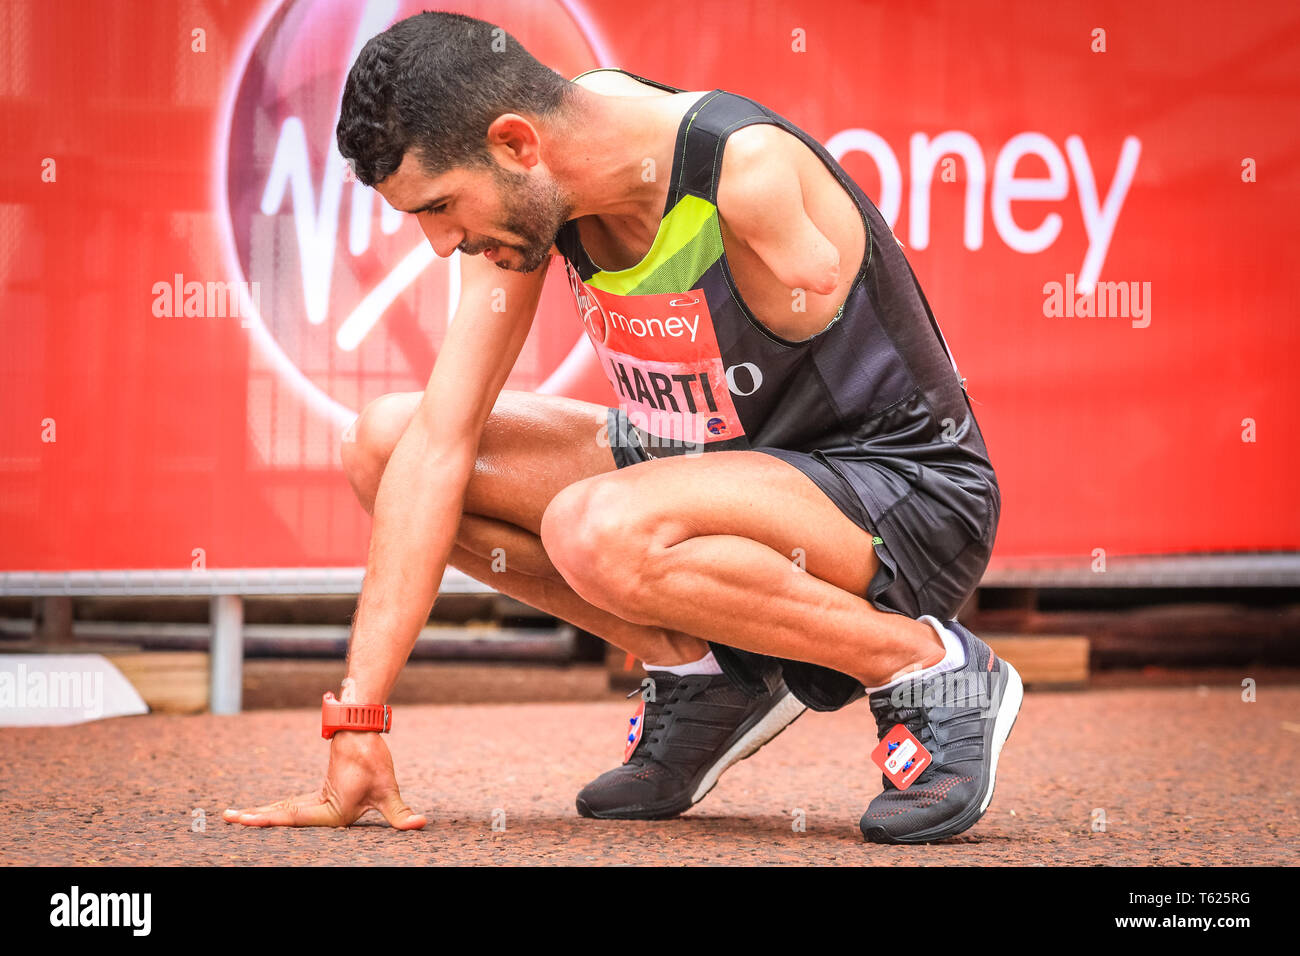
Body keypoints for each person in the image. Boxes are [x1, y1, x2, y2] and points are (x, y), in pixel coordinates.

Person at [223, 10, 1021, 844]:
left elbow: (845, 320)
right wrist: (359, 716)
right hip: (708, 472)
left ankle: (931, 670)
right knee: (385, 443)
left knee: (595, 524)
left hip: (900, 494)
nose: (439, 242)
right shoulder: (552, 176)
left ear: (516, 143)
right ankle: (707, 672)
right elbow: (440, 442)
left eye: (442, 206)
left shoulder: (743, 173)